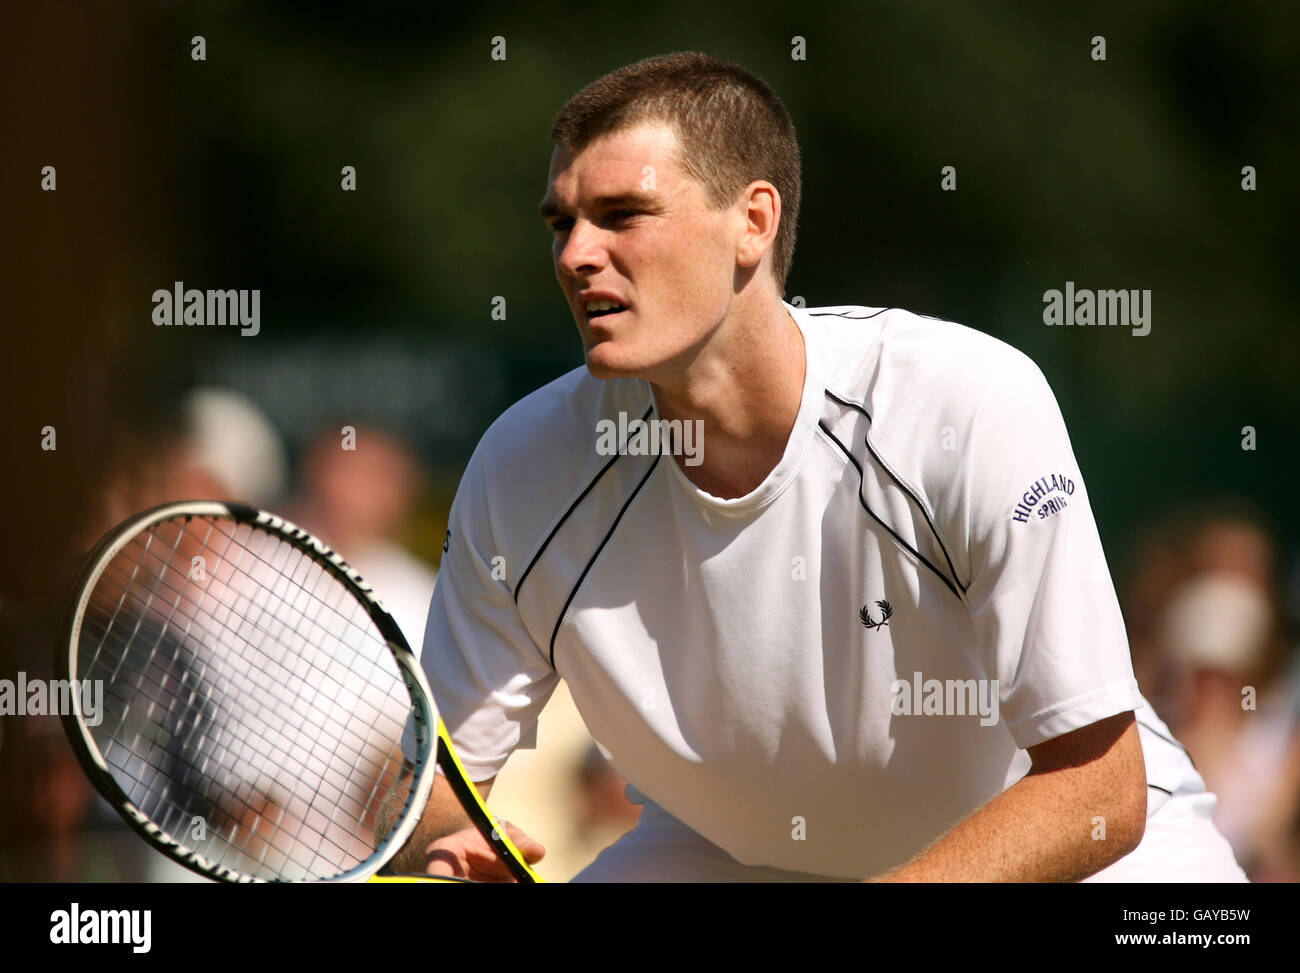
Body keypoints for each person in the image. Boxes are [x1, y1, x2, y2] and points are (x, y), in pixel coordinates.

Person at [394, 51, 1246, 881]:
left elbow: (1099, 788)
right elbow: (439, 782)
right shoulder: (520, 462)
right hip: (725, 855)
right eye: (562, 221)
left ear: (753, 223)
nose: (577, 254)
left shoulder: (968, 402)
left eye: (622, 214)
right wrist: (447, 837)